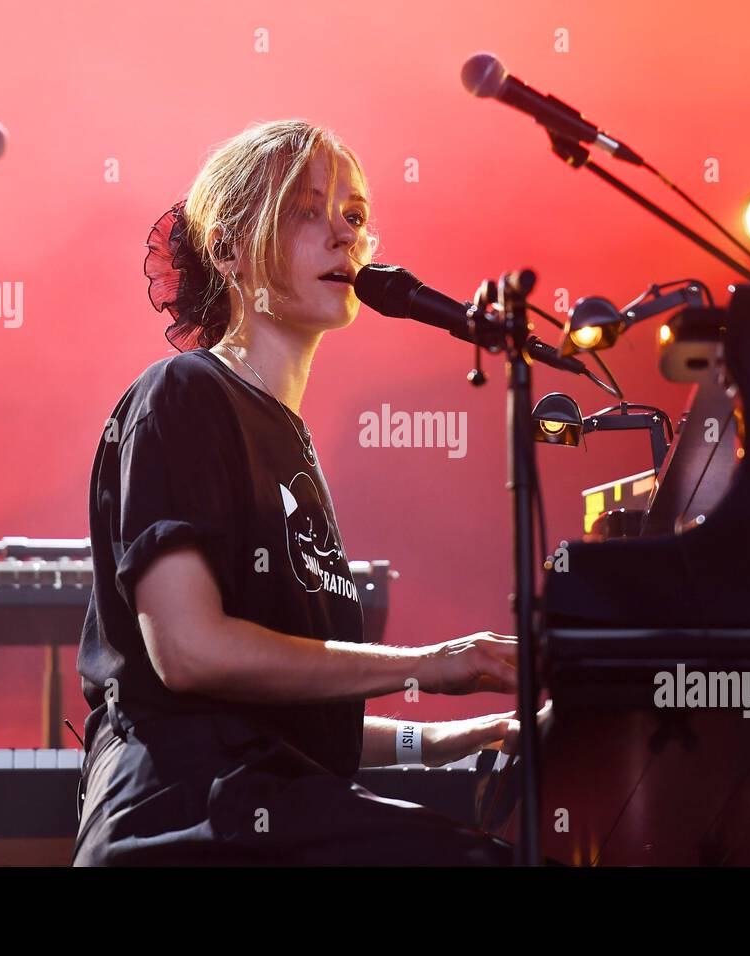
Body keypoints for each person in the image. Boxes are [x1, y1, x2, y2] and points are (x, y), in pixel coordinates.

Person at [73, 119, 533, 866]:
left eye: (354, 216)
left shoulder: (286, 440)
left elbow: (282, 716)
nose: (344, 235)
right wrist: (438, 661)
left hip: (265, 802)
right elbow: (190, 653)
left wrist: (461, 735)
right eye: (306, 211)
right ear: (227, 250)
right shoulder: (183, 394)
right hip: (184, 824)